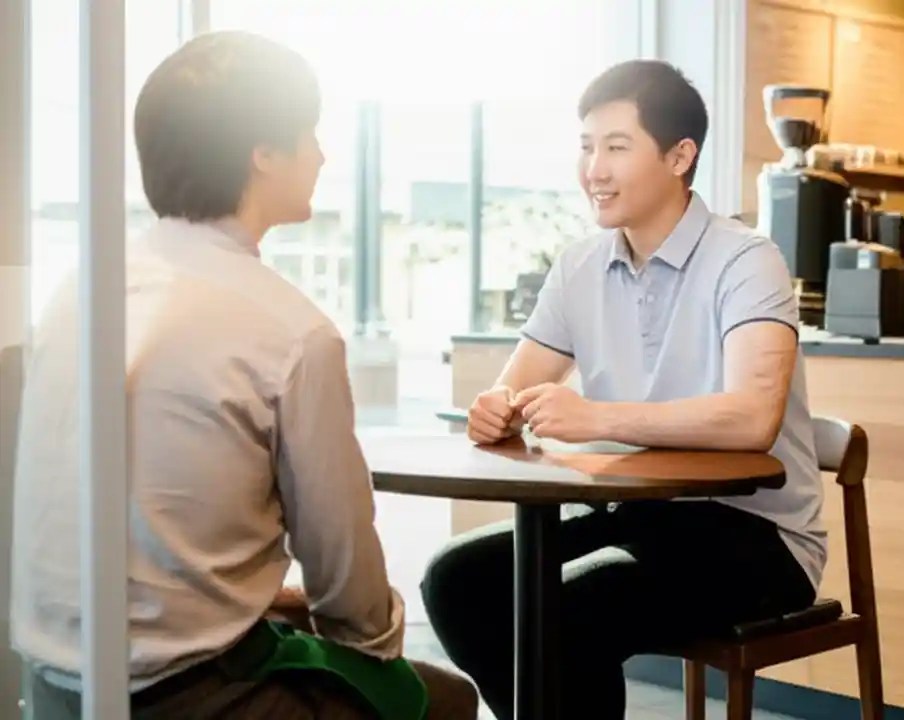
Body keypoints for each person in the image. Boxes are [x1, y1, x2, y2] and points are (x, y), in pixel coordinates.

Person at [10, 31, 476, 720]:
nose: (321, 154)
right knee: (447, 700)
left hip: (49, 687)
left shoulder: (80, 291)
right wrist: (368, 640)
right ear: (263, 153)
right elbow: (349, 594)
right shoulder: (289, 330)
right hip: (183, 698)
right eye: (308, 133)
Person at [421, 59, 825, 720]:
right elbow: (515, 388)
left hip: (756, 534)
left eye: (615, 147)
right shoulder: (581, 263)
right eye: (586, 147)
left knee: (577, 607)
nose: (593, 170)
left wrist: (596, 416)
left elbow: (752, 419)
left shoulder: (746, 259)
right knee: (458, 581)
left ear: (679, 155)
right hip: (638, 509)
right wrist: (496, 411)